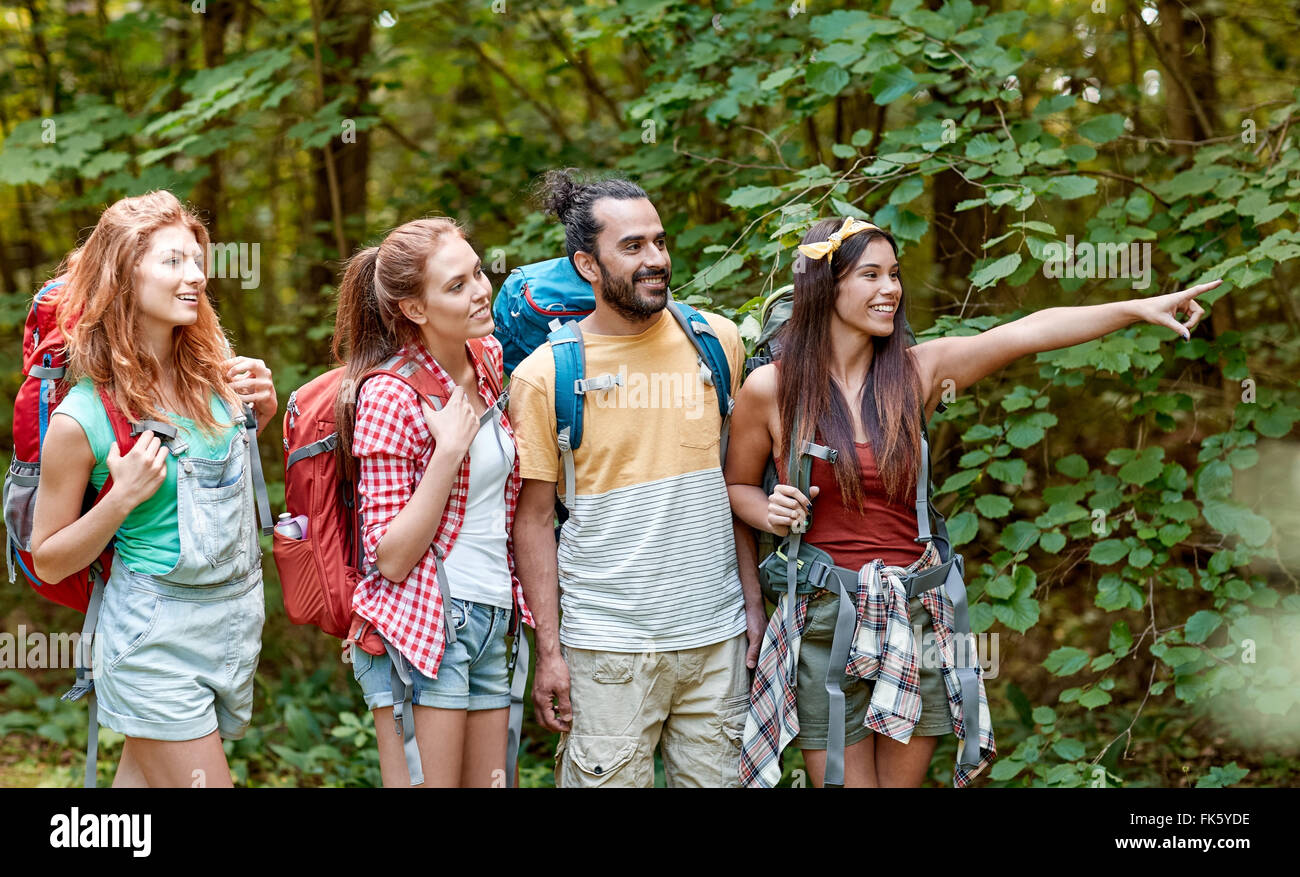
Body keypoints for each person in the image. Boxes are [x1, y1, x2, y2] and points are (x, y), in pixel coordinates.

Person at [728, 216, 1216, 788]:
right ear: (824, 286)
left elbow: (1029, 331)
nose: (891, 290)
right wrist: (770, 511)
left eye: (894, 275)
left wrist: (1139, 307)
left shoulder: (920, 372)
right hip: (822, 620)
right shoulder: (772, 389)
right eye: (870, 275)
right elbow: (736, 485)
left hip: (916, 612)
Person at [509, 171, 765, 788]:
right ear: (587, 265)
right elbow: (534, 521)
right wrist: (549, 654)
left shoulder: (716, 342)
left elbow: (734, 486)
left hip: (718, 641)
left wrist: (754, 605)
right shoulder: (547, 375)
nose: (655, 259)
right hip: (607, 652)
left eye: (659, 241)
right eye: (632, 246)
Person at [30, 190, 277, 787]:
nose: (195, 276)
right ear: (123, 274)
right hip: (153, 637)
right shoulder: (82, 417)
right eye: (174, 261)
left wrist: (257, 420)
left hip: (233, 622)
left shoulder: (216, 380)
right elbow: (49, 557)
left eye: (197, 260)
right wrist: (120, 498)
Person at [332, 217, 532, 787]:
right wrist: (446, 453)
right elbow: (389, 557)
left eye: (476, 272)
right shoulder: (388, 394)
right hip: (426, 626)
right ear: (415, 310)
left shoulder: (489, 361)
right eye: (456, 285)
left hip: (494, 617)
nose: (479, 289)